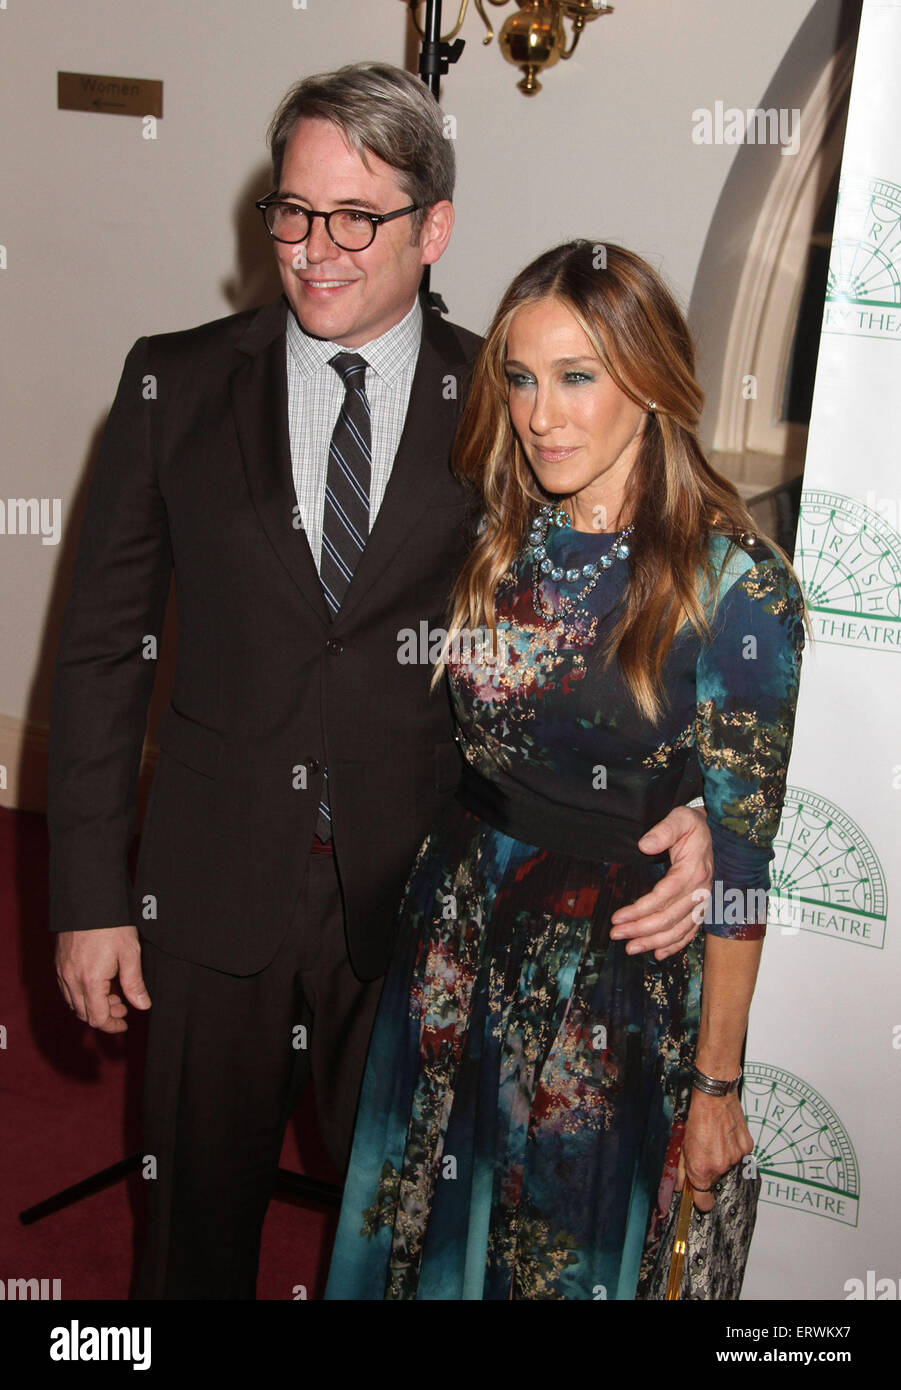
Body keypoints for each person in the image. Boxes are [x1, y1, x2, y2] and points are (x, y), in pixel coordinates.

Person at [47, 67, 712, 1301]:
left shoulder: (505, 403)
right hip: (207, 887)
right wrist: (87, 891)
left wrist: (696, 811)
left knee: (402, 1245)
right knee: (188, 1231)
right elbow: (98, 649)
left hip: (424, 898)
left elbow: (622, 605)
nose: (316, 250)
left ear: (432, 227)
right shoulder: (172, 384)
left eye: (355, 217)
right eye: (292, 212)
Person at [324, 240, 807, 1301]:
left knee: (549, 1264)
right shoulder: (504, 534)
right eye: (522, 377)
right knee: (417, 1243)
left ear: (650, 384)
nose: (540, 414)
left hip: (601, 987)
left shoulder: (735, 588)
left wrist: (717, 1088)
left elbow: (739, 864)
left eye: (576, 377)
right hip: (452, 938)